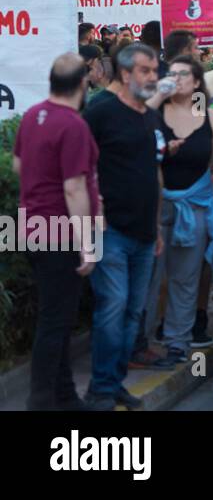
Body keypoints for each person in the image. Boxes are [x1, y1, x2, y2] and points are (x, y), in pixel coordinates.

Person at [15, 54, 102, 411]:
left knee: (58, 316)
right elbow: (73, 188)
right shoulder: (73, 125)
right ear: (83, 83)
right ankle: (40, 402)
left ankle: (64, 395)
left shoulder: (34, 115)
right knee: (54, 321)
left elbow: (20, 165)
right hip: (59, 233)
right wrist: (86, 244)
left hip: (34, 227)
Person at [82, 43, 164, 411]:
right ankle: (100, 389)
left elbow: (152, 172)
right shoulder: (99, 111)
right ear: (126, 73)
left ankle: (112, 384)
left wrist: (158, 225)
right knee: (112, 307)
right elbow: (80, 168)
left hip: (145, 232)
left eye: (154, 70)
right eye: (146, 71)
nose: (153, 77)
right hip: (109, 230)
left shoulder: (146, 112)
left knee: (132, 311)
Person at [150, 55, 213, 368]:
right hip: (155, 206)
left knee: (185, 278)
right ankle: (139, 342)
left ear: (197, 82)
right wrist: (160, 91)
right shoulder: (154, 111)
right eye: (171, 74)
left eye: (184, 75)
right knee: (151, 278)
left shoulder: (204, 113)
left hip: (193, 205)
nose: (176, 79)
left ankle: (177, 344)